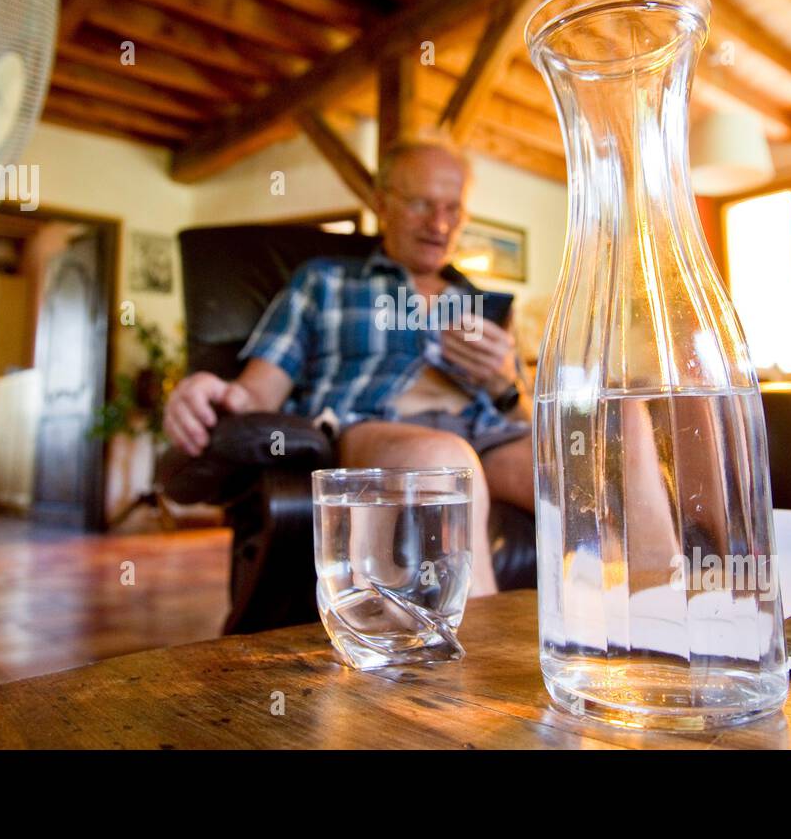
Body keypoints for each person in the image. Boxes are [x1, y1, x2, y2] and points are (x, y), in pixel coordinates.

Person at [162, 137, 534, 595]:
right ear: (382, 203)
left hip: (489, 434)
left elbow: (523, 417)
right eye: (420, 204)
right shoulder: (325, 280)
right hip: (377, 427)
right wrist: (206, 388)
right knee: (444, 462)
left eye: (453, 209)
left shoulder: (479, 301)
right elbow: (256, 393)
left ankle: (644, 635)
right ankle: (482, 661)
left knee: (610, 448)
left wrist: (504, 382)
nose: (439, 224)